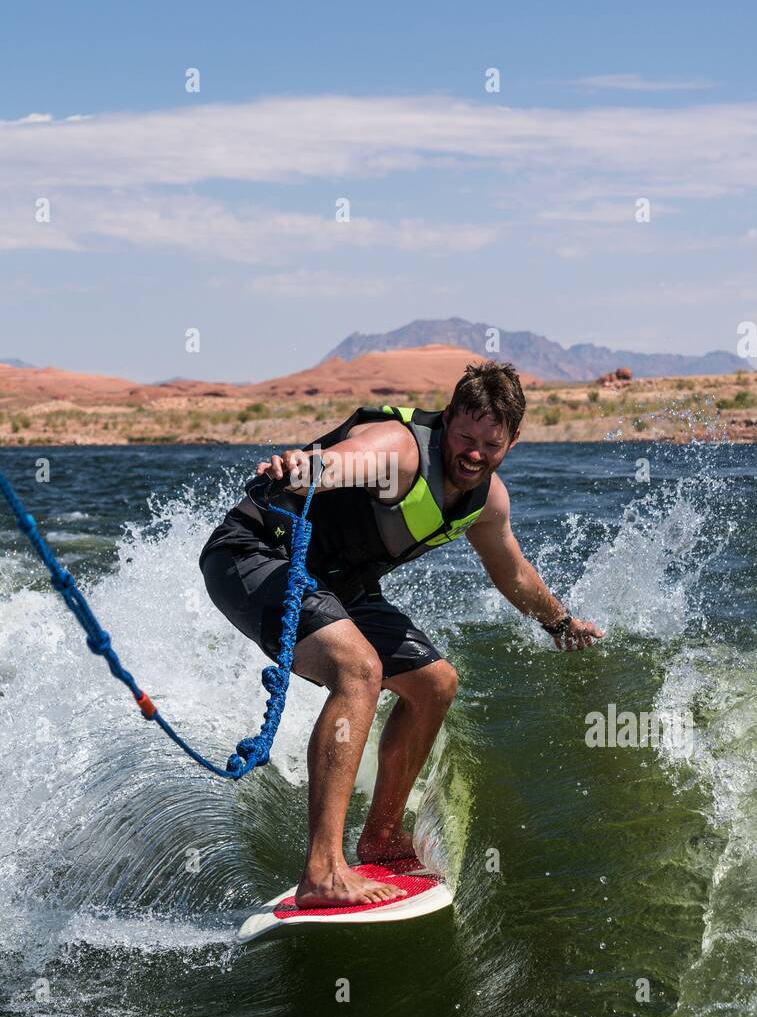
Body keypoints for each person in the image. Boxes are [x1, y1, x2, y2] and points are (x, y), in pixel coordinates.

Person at [199, 361, 604, 907]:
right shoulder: (401, 449)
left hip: (341, 583)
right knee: (359, 671)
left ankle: (382, 836)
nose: (474, 453)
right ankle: (322, 871)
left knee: (435, 684)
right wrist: (305, 466)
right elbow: (344, 462)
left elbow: (511, 570)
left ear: (512, 441)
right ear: (448, 420)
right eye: (464, 436)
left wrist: (560, 622)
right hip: (256, 556)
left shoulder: (487, 500)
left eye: (491, 443)